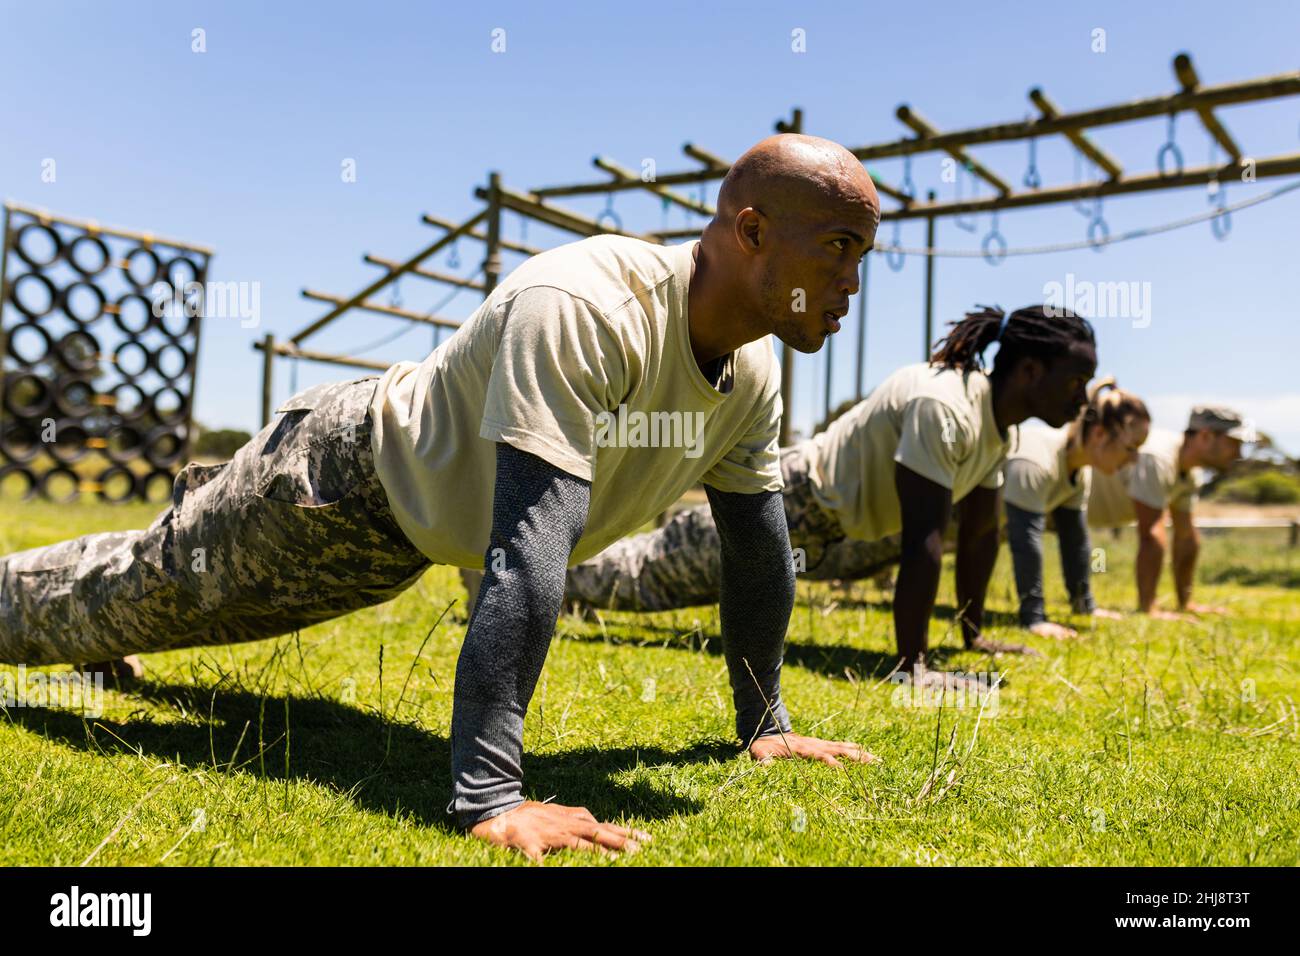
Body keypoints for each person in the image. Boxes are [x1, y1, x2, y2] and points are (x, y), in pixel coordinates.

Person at [0, 133, 883, 860]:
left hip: (401, 535)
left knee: (146, 605)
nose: (851, 281)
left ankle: (98, 636)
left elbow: (758, 545)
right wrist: (491, 795)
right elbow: (532, 544)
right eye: (839, 248)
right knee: (136, 593)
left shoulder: (753, 370)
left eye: (862, 254)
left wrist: (764, 721)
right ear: (753, 232)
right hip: (335, 482)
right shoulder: (584, 306)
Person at [560, 304, 1100, 677]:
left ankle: (542, 575)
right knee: (651, 572)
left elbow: (981, 533)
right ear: (1029, 371)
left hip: (842, 534)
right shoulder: (945, 405)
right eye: (1077, 382)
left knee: (686, 583)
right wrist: (914, 668)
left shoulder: (997, 430)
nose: (1084, 401)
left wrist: (972, 636)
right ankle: (520, 570)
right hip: (794, 498)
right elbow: (923, 541)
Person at [1001, 379, 1149, 639]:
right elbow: (1025, 540)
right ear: (1100, 434)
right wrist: (1034, 618)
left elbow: (1075, 539)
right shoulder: (1037, 460)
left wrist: (1084, 606)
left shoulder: (1080, 472)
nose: (1134, 458)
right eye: (1130, 447)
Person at [1087, 405, 1248, 618]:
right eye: (1234, 444)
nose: (1238, 454)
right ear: (1206, 436)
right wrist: (1150, 608)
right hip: (1063, 508)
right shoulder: (1156, 457)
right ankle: (1148, 605)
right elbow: (1151, 532)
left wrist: (1186, 603)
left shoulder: (1191, 472)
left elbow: (1185, 535)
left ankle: (1184, 602)